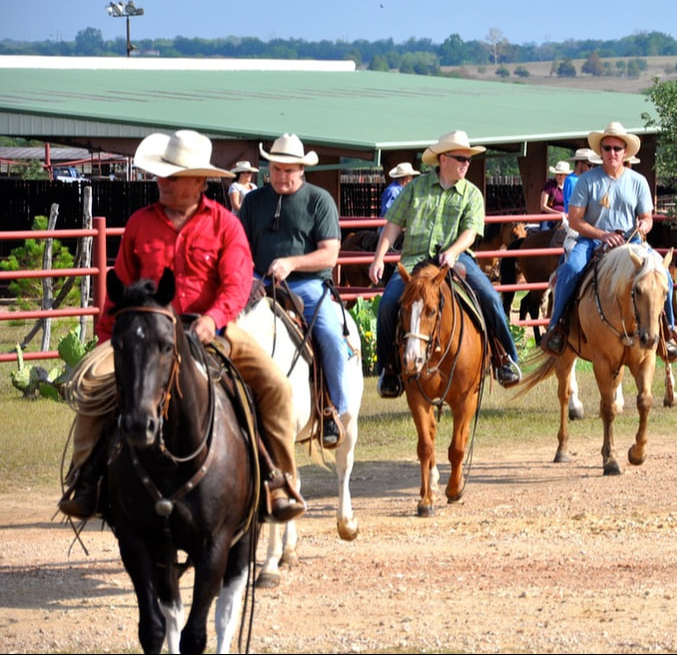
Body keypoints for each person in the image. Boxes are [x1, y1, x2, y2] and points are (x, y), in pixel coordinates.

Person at [58, 130, 306, 523]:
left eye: (172, 176)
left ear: (199, 182)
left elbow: (237, 282)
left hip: (211, 332)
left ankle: (279, 482)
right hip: (148, 335)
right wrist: (109, 339)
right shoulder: (140, 224)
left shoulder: (225, 225)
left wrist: (214, 318)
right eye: (162, 175)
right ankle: (85, 478)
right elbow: (121, 284)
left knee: (275, 385)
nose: (163, 182)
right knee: (93, 388)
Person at [367, 129, 522, 397]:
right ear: (443, 160)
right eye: (460, 158)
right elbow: (393, 225)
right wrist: (379, 257)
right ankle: (389, 369)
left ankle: (504, 358)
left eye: (468, 159)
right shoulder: (415, 188)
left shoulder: (472, 194)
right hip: (415, 261)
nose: (466, 163)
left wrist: (452, 252)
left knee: (489, 296)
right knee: (388, 304)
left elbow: (470, 233)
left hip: (457, 259)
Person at [238, 133, 348, 448]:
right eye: (276, 169)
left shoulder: (319, 200)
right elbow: (239, 247)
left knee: (328, 333)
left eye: (289, 170)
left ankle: (331, 410)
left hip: (308, 283)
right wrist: (248, 276)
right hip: (258, 280)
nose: (282, 176)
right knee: (223, 328)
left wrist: (292, 263)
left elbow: (330, 254)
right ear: (267, 168)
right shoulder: (253, 201)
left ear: (302, 170)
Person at [539, 121, 677, 360]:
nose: (612, 153)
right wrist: (602, 234)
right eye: (607, 148)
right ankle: (558, 327)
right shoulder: (587, 181)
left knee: (663, 274)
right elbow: (574, 220)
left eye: (617, 148)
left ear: (625, 151)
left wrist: (643, 225)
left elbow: (647, 218)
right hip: (592, 241)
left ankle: (668, 334)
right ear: (601, 151)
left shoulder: (638, 181)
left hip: (632, 243)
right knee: (572, 269)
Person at [538, 160, 571, 230]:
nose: (558, 176)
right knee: (544, 234)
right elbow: (543, 206)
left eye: (561, 174)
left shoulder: (569, 187)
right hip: (548, 218)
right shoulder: (549, 185)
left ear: (566, 175)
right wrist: (558, 213)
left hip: (565, 218)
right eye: (557, 174)